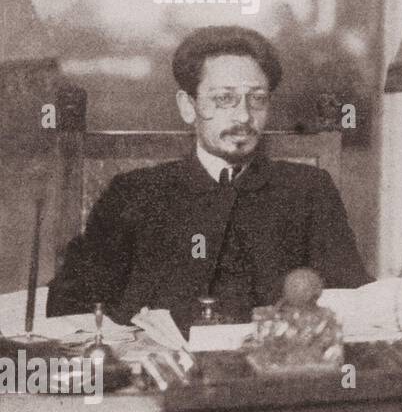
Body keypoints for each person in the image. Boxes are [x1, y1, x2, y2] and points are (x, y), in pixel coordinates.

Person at [47, 26, 370, 329]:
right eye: (223, 99)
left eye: (257, 99)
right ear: (188, 107)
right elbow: (72, 306)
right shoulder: (133, 193)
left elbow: (354, 302)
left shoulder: (308, 189)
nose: (243, 116)